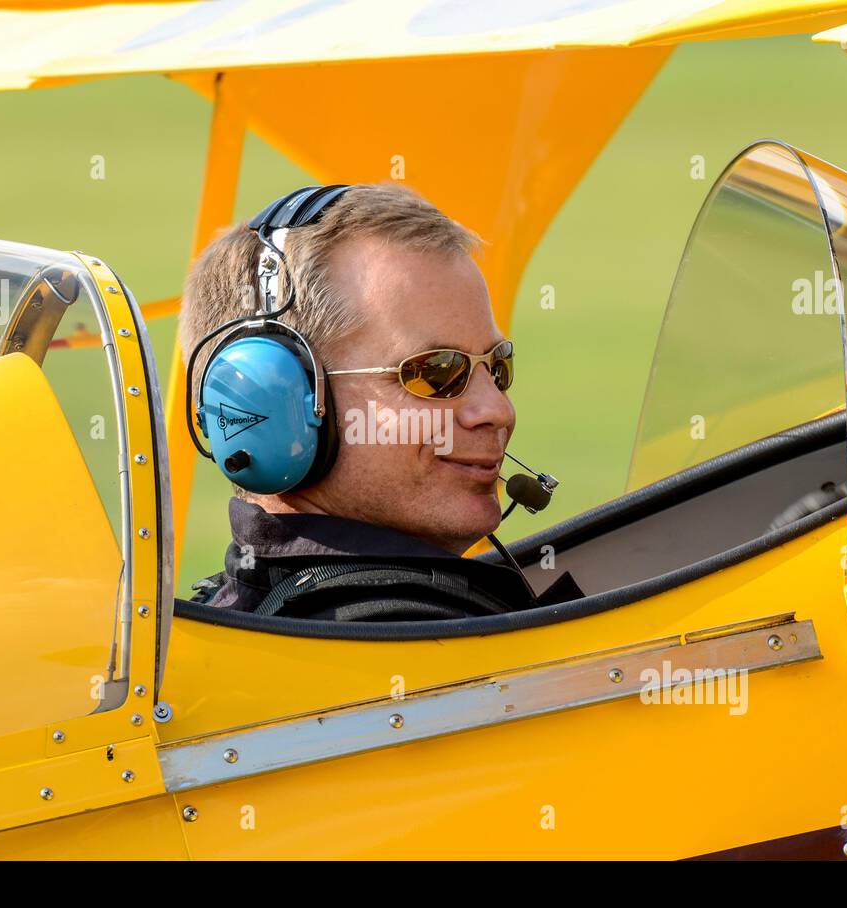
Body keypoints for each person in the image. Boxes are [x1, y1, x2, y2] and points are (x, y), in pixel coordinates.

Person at [183, 183, 582, 620]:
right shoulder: (402, 640)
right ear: (275, 405)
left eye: (498, 367)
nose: (498, 411)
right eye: (436, 372)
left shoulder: (247, 605)